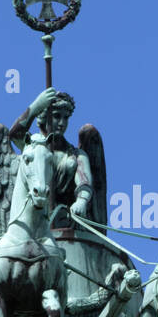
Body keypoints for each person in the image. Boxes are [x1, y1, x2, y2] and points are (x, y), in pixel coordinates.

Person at [8, 87, 94, 228]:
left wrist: (81, 201)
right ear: (43, 118)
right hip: (34, 224)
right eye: (56, 116)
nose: (62, 123)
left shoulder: (77, 155)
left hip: (66, 222)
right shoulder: (32, 148)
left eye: (65, 118)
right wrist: (36, 107)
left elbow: (84, 183)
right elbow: (15, 134)